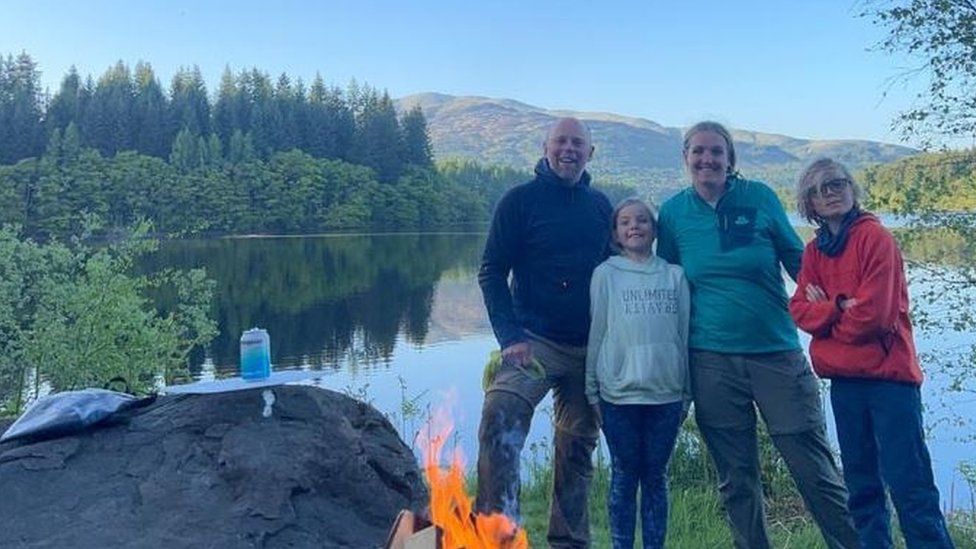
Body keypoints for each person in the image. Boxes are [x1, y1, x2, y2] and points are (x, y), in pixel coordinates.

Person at [656, 121, 860, 549]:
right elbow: (668, 283)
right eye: (698, 152)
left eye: (716, 151)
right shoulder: (673, 214)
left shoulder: (760, 197)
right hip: (709, 359)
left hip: (776, 354)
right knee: (736, 480)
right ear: (686, 158)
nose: (707, 159)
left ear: (731, 159)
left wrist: (837, 313)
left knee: (814, 470)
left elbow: (800, 263)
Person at [789, 158, 955, 548]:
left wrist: (826, 315)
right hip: (846, 385)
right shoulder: (814, 252)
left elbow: (874, 318)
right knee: (862, 489)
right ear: (808, 204)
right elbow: (799, 309)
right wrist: (837, 307)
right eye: (818, 189)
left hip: (889, 382)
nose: (829, 193)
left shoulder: (876, 239)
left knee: (910, 486)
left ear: (852, 189)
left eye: (836, 184)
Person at [476, 117, 612, 548]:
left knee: (576, 445)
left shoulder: (600, 207)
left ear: (590, 153)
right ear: (545, 147)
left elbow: (618, 273)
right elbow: (492, 271)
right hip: (533, 344)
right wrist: (510, 336)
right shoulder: (519, 202)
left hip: (589, 347)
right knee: (500, 415)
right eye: (561, 142)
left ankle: (568, 541)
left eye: (578, 143)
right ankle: (497, 537)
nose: (568, 149)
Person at [585, 197, 690, 549]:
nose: (634, 227)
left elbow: (683, 334)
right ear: (615, 232)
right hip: (618, 394)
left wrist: (686, 391)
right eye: (626, 222)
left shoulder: (674, 275)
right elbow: (597, 332)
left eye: (642, 220)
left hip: (667, 394)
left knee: (656, 476)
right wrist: (591, 389)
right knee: (624, 475)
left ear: (654, 228)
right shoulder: (606, 274)